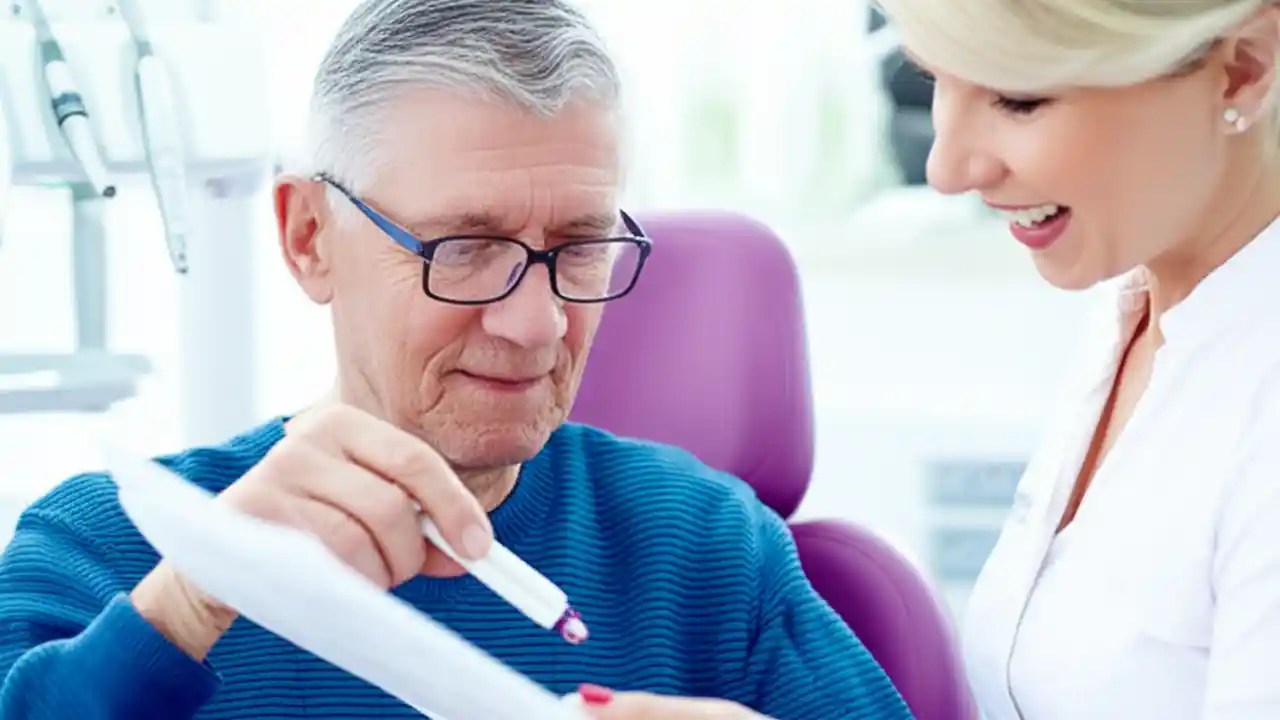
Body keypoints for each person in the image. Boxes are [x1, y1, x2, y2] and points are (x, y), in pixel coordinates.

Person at [0, 2, 911, 719]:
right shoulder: (105, 548)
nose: (537, 322)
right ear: (309, 237)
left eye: (580, 246)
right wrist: (193, 601)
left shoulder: (706, 549)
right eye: (464, 248)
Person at [873, 0, 1280, 717]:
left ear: (1244, 69)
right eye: (934, 76)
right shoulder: (1133, 305)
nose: (947, 168)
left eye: (1018, 99)